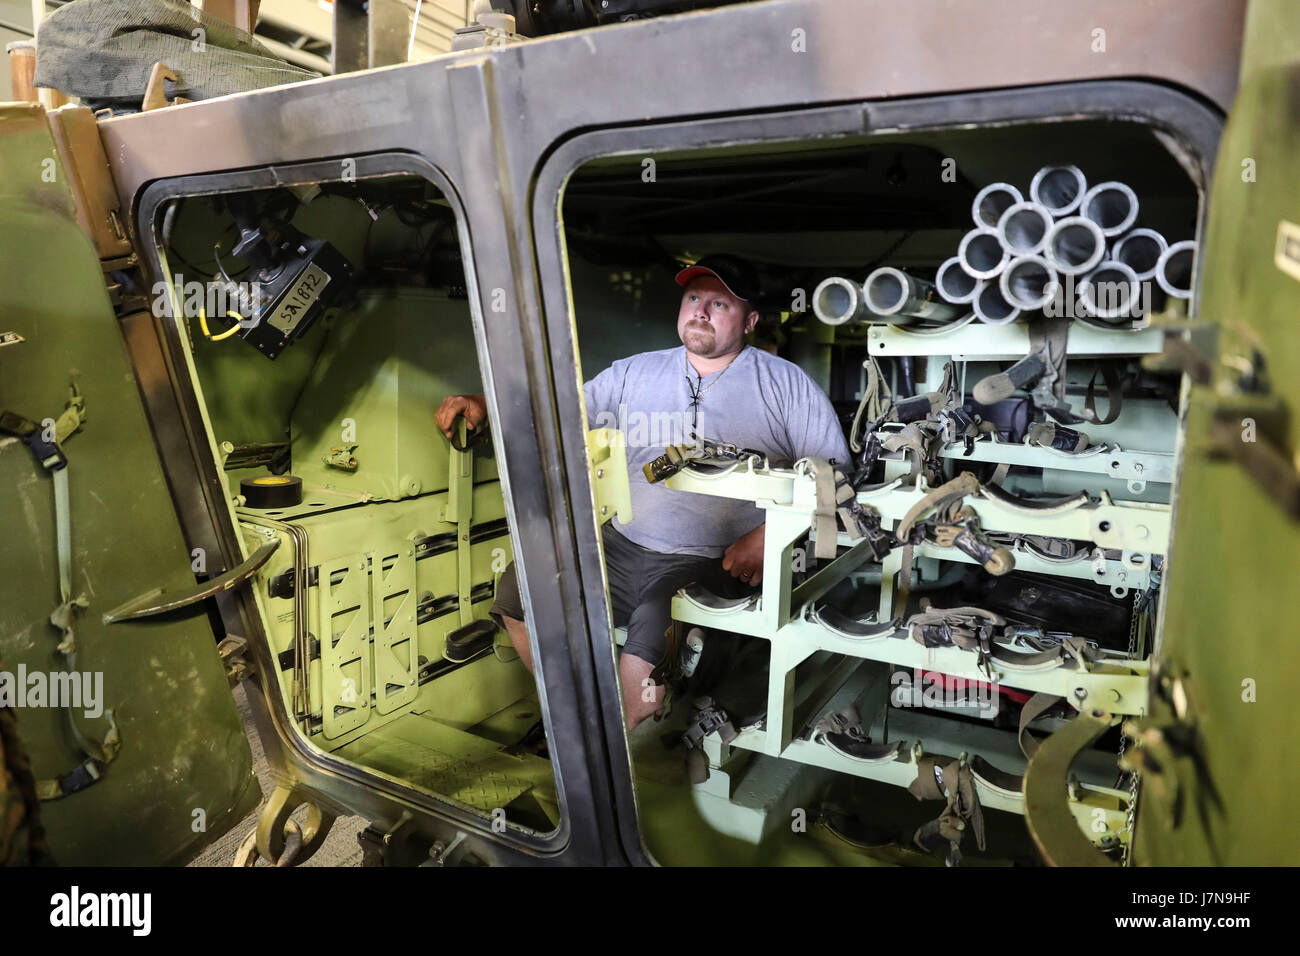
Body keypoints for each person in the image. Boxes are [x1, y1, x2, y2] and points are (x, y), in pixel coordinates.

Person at [436, 254, 850, 729]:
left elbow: (834, 473)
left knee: (658, 620)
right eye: (693, 298)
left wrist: (767, 537)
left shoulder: (786, 385)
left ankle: (620, 743)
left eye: (720, 303)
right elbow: (560, 411)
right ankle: (571, 718)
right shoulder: (634, 372)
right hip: (622, 544)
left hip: (709, 559)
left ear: (751, 320)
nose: (700, 310)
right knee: (521, 584)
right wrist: (487, 403)